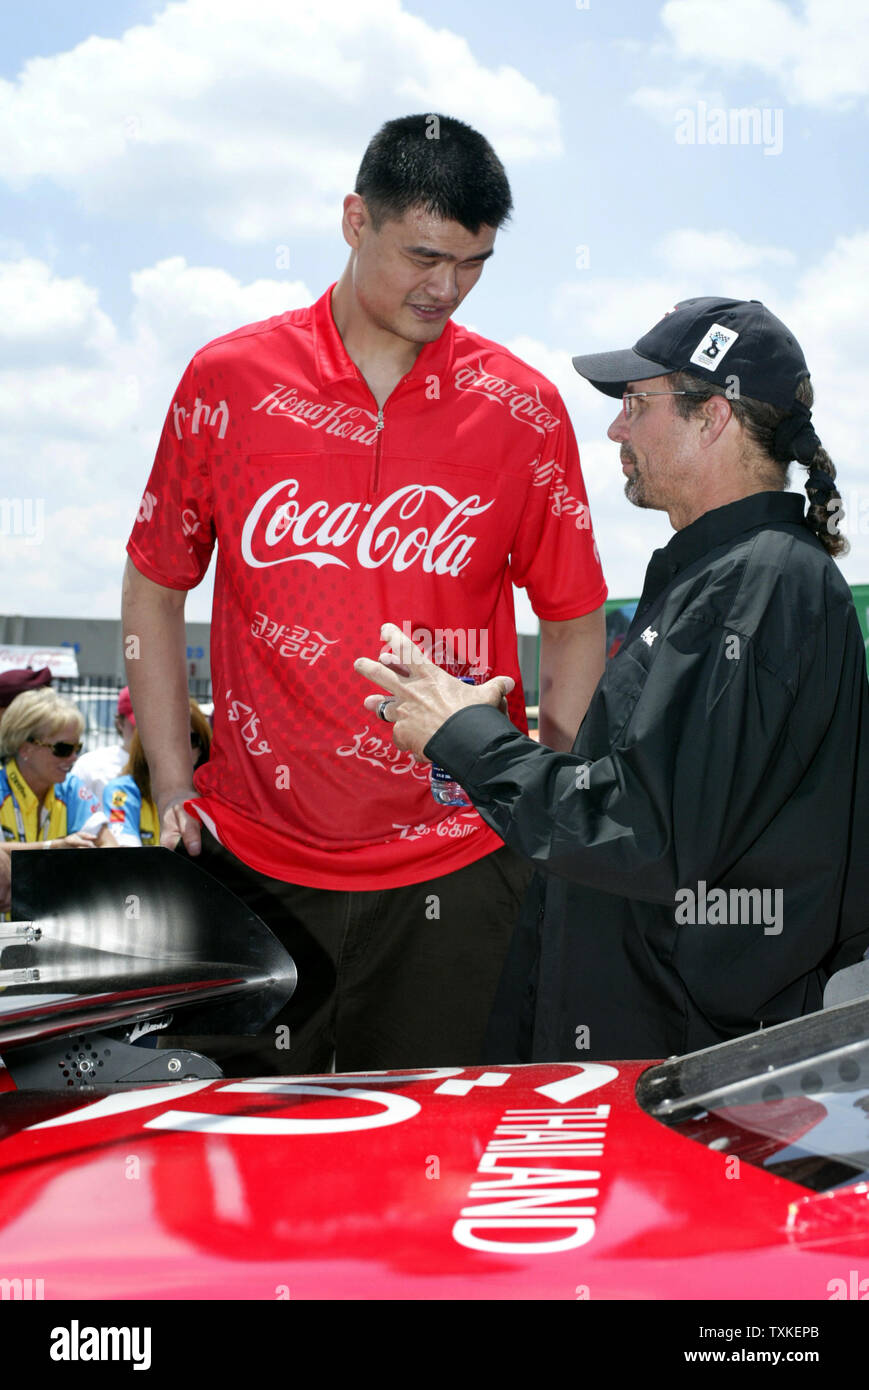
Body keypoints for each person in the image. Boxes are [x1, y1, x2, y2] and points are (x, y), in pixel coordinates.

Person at [122, 113, 606, 1074]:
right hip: (255, 863)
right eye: (424, 255)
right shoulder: (229, 378)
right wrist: (174, 784)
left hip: (460, 862)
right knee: (252, 1166)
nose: (446, 287)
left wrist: (551, 786)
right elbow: (154, 585)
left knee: (442, 1180)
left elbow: (575, 615)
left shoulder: (524, 406)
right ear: (355, 219)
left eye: (473, 263)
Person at [356, 296, 869, 1061]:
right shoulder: (725, 578)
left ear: (713, 416)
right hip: (651, 1038)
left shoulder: (757, 587)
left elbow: (642, 834)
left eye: (635, 402)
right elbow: (652, 804)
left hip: (681, 1067)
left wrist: (466, 737)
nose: (614, 428)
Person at [0, 689, 116, 852]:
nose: (73, 757)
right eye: (63, 749)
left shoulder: (71, 788)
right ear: (25, 749)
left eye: (77, 748)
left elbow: (110, 845)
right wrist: (52, 848)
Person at [103, 699, 212, 845]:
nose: (179, 750)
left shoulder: (214, 794)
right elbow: (125, 850)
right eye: (168, 740)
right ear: (145, 743)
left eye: (190, 739)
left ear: (202, 747)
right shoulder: (122, 791)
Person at [74, 686, 138, 801]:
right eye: (137, 723)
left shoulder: (173, 769)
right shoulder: (90, 766)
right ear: (120, 723)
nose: (145, 730)